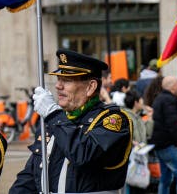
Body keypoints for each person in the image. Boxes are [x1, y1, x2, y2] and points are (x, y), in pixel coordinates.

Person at [10, 49, 132, 193]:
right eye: (58, 79)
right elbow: (31, 175)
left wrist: (53, 114)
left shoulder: (112, 120)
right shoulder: (56, 121)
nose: (58, 86)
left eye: (67, 80)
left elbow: (82, 155)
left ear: (90, 87)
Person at [150, 75, 177, 194]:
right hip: (171, 145)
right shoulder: (170, 100)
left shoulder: (159, 99)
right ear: (172, 87)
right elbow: (173, 124)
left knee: (165, 178)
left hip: (160, 145)